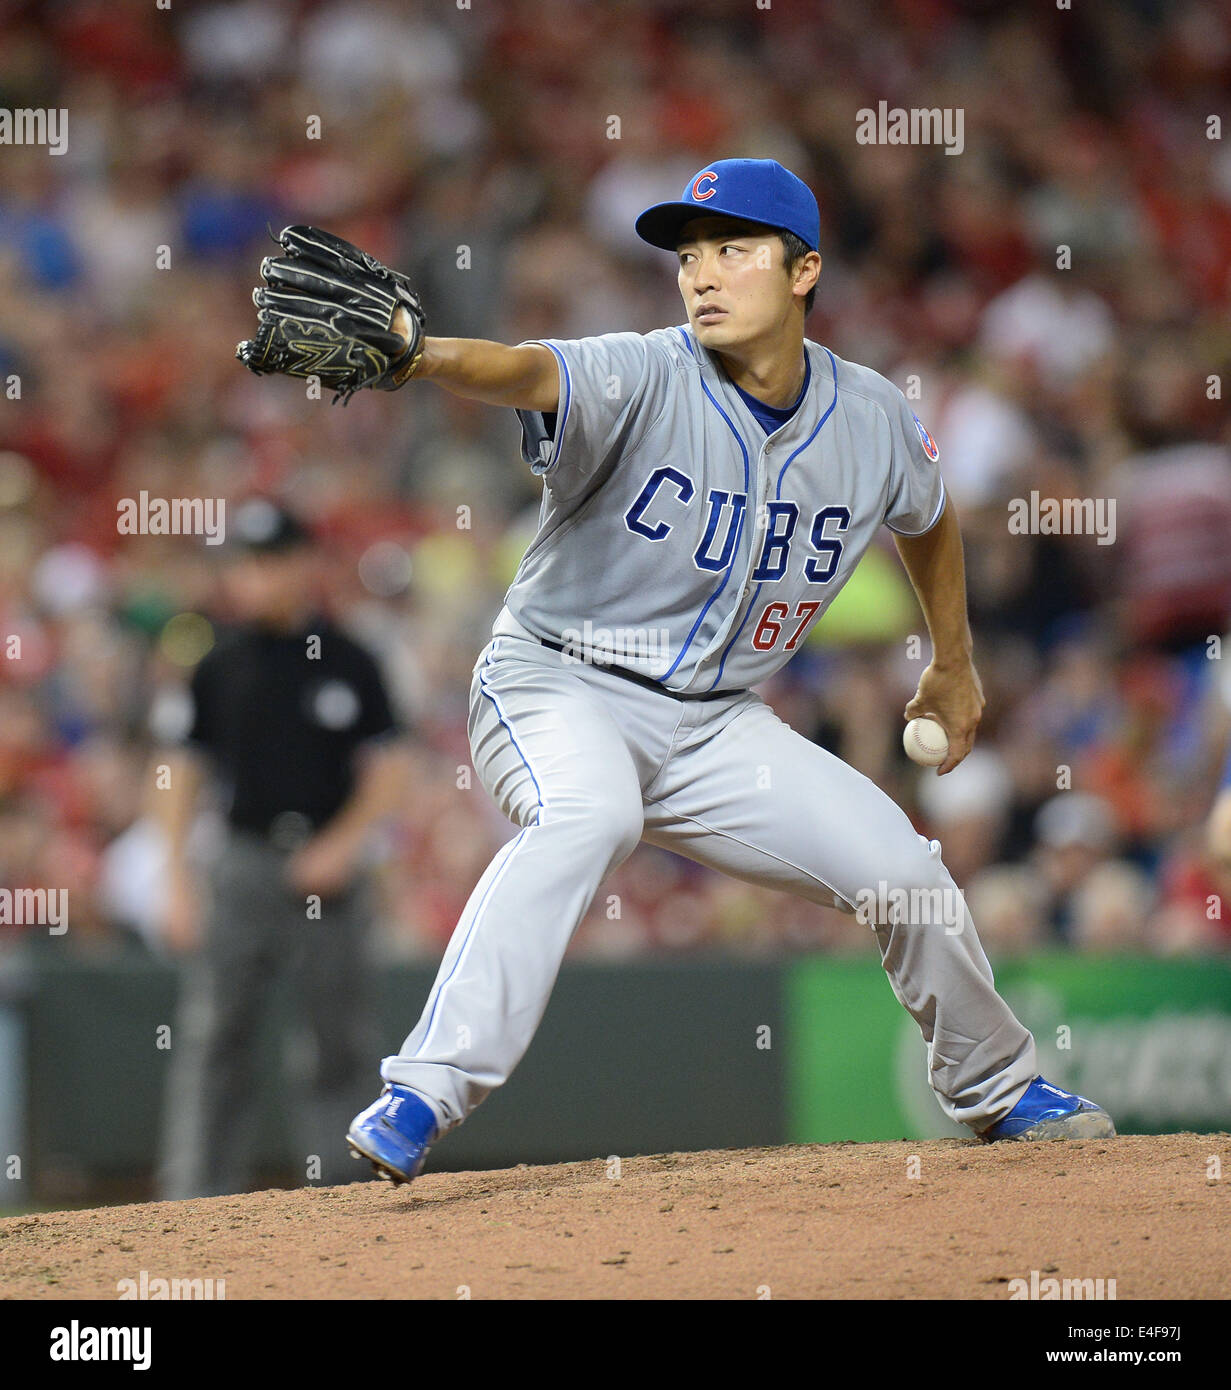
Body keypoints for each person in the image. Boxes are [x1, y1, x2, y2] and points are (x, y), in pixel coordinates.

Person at [311, 159, 1115, 1181]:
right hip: (556, 682)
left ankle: (995, 1088)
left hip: (716, 724)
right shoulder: (644, 372)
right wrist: (422, 359)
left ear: (803, 271)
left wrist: (952, 661)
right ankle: (424, 1088)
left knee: (906, 876)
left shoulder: (867, 416)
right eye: (688, 254)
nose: (702, 274)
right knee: (589, 815)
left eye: (733, 249)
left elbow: (928, 517)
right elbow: (524, 370)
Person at [153, 499, 411, 1197]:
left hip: (329, 871)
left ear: (304, 563)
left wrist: (345, 844)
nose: (253, 576)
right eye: (244, 562)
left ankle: (344, 1194)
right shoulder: (217, 663)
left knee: (337, 1042)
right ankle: (192, 1202)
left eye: (269, 560)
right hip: (241, 862)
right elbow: (182, 771)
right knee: (214, 1038)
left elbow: (390, 768)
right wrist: (174, 877)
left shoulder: (353, 658)